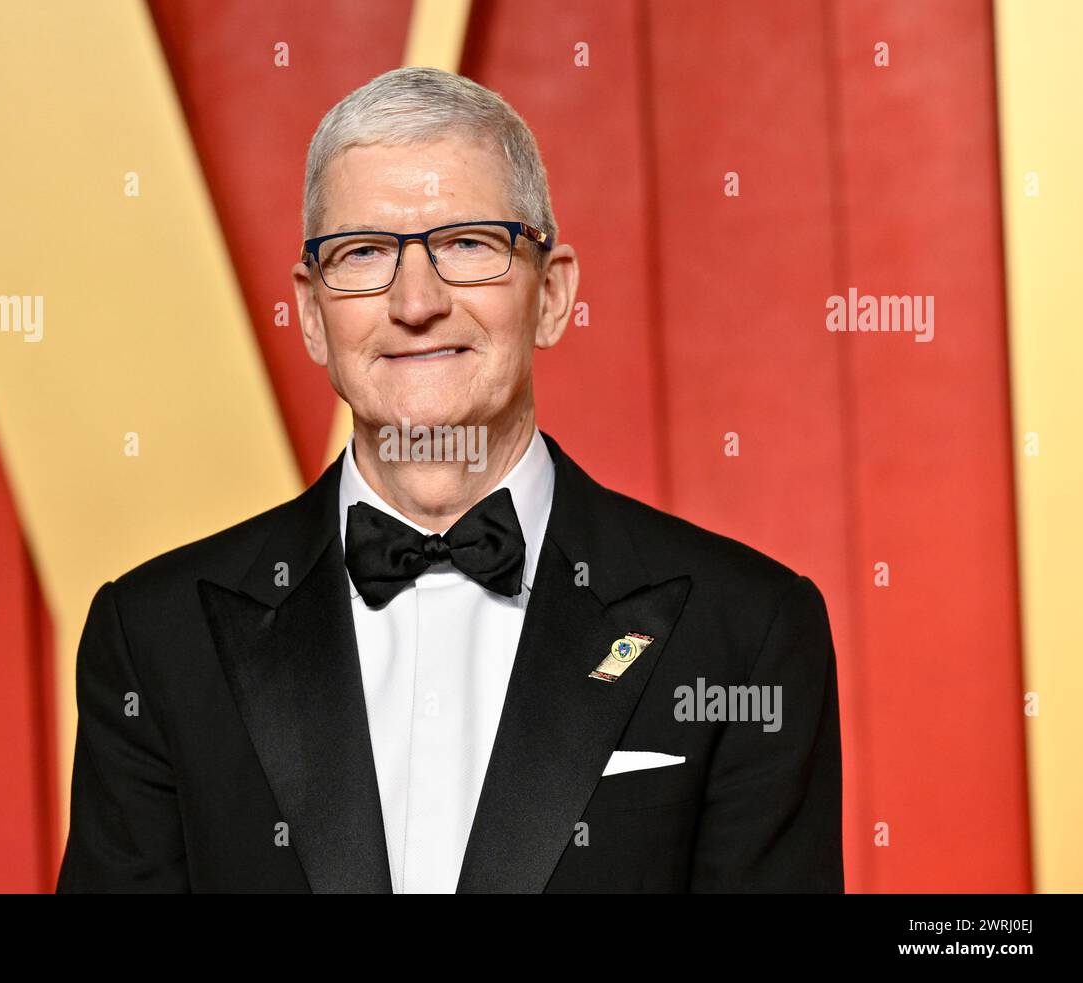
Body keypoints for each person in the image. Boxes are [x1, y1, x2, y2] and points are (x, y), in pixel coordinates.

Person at [56, 66, 843, 893]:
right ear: (313, 313)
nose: (416, 300)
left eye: (467, 243)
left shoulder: (747, 633)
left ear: (553, 295)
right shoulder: (152, 639)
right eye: (363, 253)